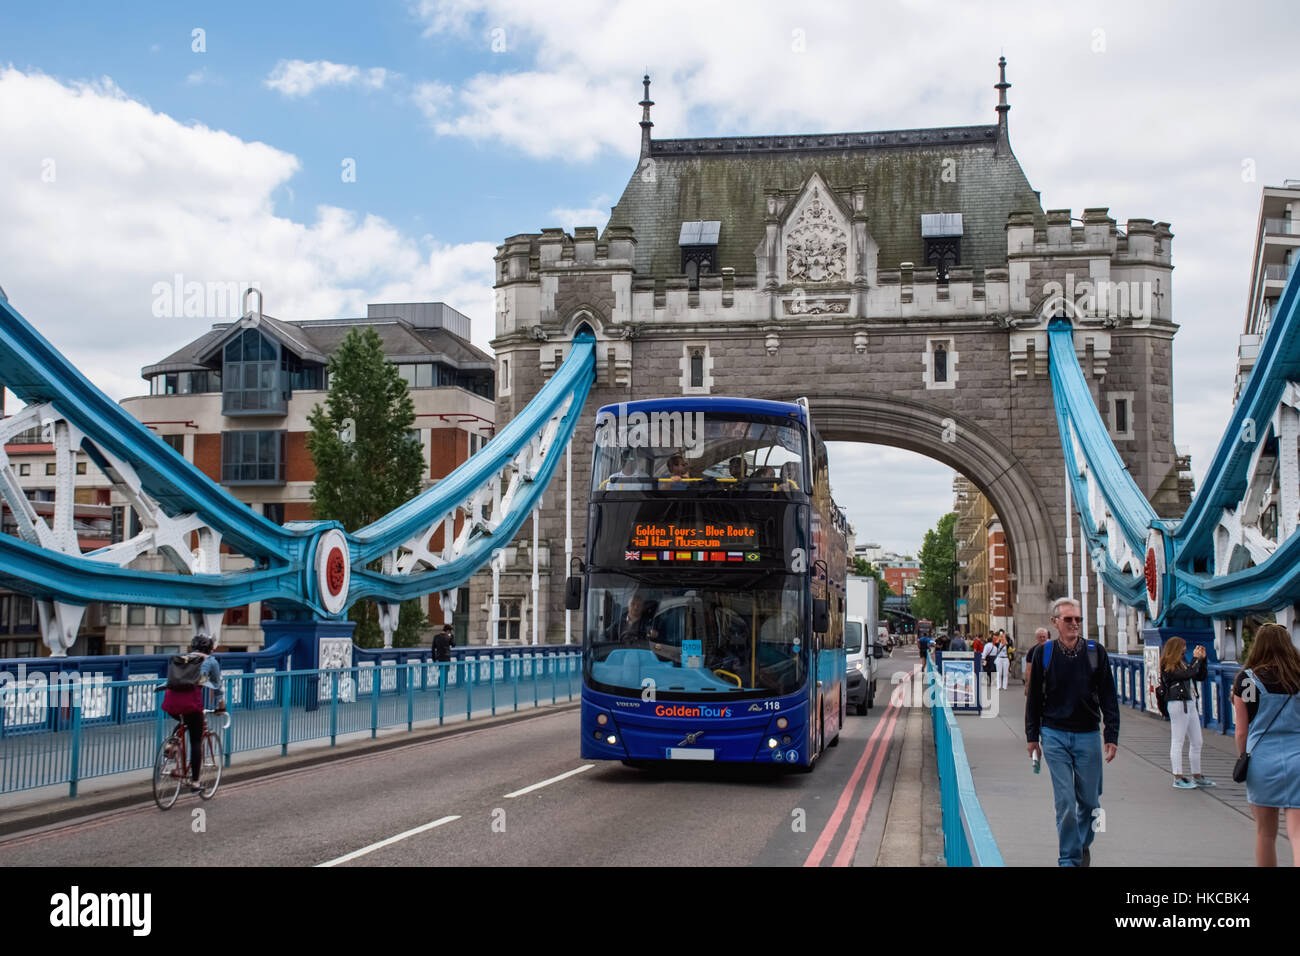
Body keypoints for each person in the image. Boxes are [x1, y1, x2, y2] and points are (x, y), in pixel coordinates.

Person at [1025, 597, 1119, 867]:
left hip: (1088, 734)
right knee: (1065, 801)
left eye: (1078, 619)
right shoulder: (1044, 653)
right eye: (1068, 619)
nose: (1075, 624)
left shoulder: (1095, 652)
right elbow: (1033, 699)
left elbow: (1108, 696)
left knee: (1090, 803)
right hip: (1054, 734)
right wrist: (1032, 736)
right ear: (1055, 623)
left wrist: (1111, 734)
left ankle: (1081, 844)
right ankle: (1069, 860)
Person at [1231, 622, 1300, 867]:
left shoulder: (1247, 680)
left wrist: (1243, 757)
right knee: (1297, 834)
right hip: (1298, 759)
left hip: (1262, 760)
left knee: (1265, 834)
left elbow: (1241, 732)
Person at [161, 635, 225, 794]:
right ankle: (195, 782)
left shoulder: (182, 659)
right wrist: (221, 705)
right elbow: (216, 686)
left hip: (171, 703)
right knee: (196, 741)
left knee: (183, 720)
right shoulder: (211, 661)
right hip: (191, 704)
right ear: (210, 648)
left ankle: (172, 744)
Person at [1160, 637, 1212, 789]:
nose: (1185, 649)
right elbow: (1187, 674)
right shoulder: (1168, 666)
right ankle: (1178, 776)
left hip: (1190, 703)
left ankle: (1197, 775)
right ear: (1175, 648)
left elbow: (1200, 675)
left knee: (1197, 741)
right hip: (1178, 703)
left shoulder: (1183, 662)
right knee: (1178, 740)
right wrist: (1196, 660)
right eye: (1182, 647)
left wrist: (1203, 659)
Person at [1023, 627, 1050, 695]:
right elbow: (1028, 669)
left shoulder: (1054, 649)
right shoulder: (1032, 651)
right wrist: (1027, 686)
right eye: (1040, 637)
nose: (1042, 639)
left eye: (1044, 637)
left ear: (1047, 637)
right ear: (1036, 638)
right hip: (1037, 682)